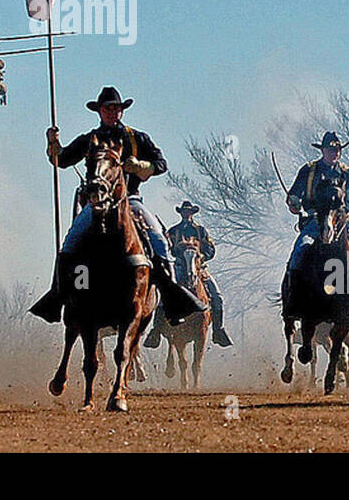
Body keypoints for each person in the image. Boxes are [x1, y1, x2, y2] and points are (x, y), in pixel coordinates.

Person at [29, 86, 207, 324]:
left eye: (116, 109)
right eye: (107, 109)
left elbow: (161, 163)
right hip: (96, 205)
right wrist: (54, 145)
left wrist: (141, 166)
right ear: (100, 111)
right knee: (70, 244)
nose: (112, 113)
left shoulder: (137, 138)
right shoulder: (90, 139)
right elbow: (62, 160)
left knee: (159, 242)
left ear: (122, 111)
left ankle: (172, 300)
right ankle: (57, 296)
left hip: (130, 201)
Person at [283, 131, 349, 316]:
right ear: (323, 150)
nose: (335, 153)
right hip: (314, 221)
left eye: (338, 150)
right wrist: (293, 201)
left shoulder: (348, 174)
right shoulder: (308, 170)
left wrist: (336, 215)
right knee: (298, 252)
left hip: (340, 221)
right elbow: (295, 193)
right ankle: (293, 298)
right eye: (331, 150)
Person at [146, 200, 233, 347]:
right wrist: (171, 244)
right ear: (181, 213)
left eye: (189, 211)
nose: (187, 214)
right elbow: (170, 252)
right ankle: (156, 330)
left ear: (192, 213)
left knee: (217, 296)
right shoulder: (173, 231)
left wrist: (202, 257)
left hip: (199, 267)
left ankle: (218, 330)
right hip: (180, 265)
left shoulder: (201, 231)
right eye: (185, 211)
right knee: (163, 297)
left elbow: (210, 249)